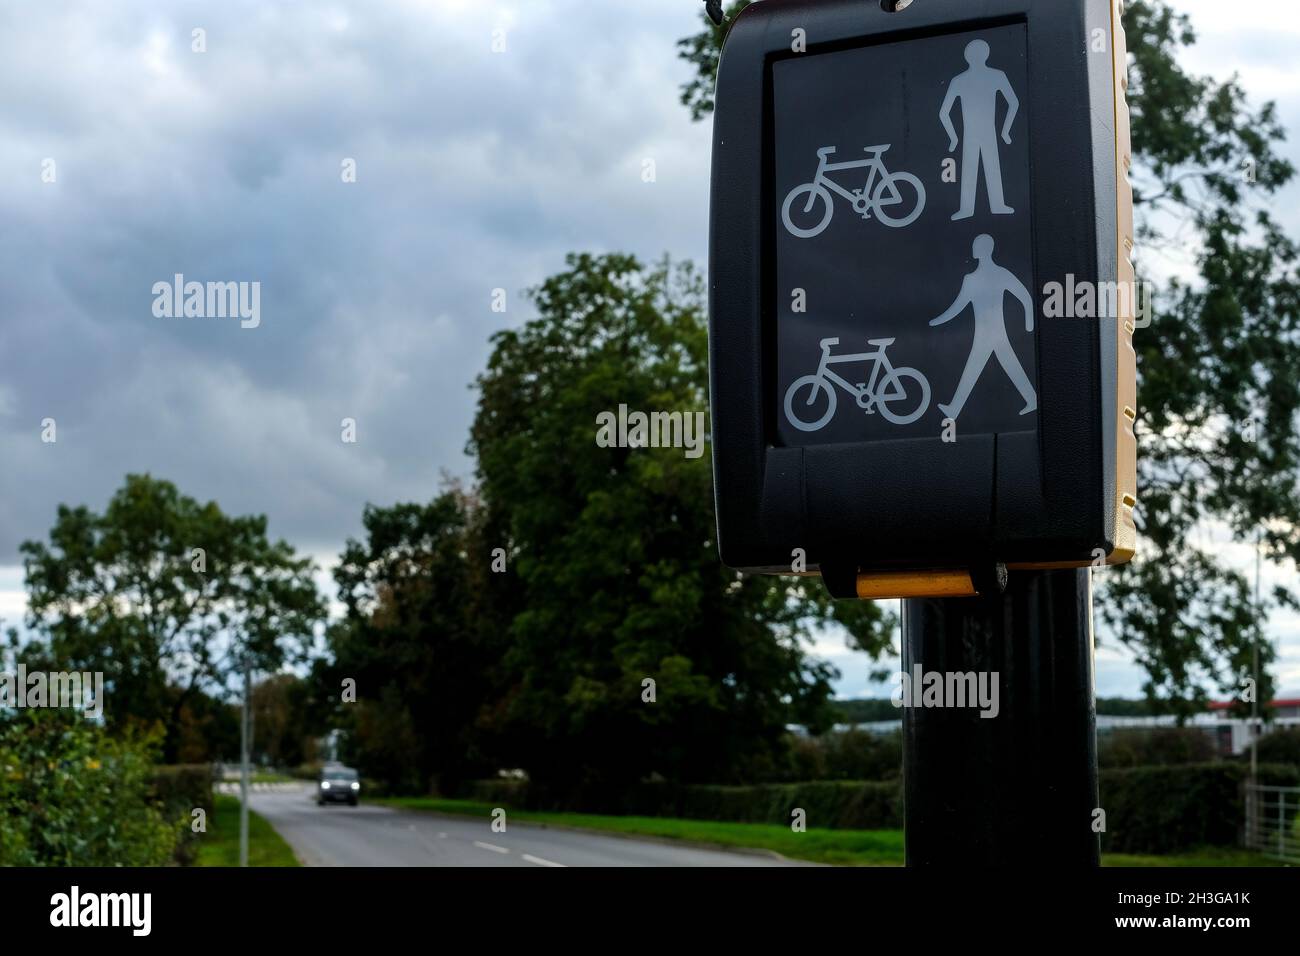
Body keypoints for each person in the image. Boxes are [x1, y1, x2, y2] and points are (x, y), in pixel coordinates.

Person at [929, 234, 1037, 420]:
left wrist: (1029, 323)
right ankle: (1032, 399)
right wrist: (937, 321)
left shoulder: (990, 275)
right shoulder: (974, 278)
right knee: (1000, 367)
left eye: (977, 245)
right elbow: (958, 306)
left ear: (985, 249)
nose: (974, 248)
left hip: (991, 335)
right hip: (989, 335)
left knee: (975, 369)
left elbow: (1025, 296)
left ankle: (954, 409)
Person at [939, 38, 1019, 221]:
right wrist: (1005, 130)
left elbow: (944, 113)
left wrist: (954, 137)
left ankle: (975, 208)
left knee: (975, 168)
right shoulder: (994, 76)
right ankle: (990, 206)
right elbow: (1013, 103)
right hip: (984, 131)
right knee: (988, 167)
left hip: (974, 132)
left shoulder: (960, 80)